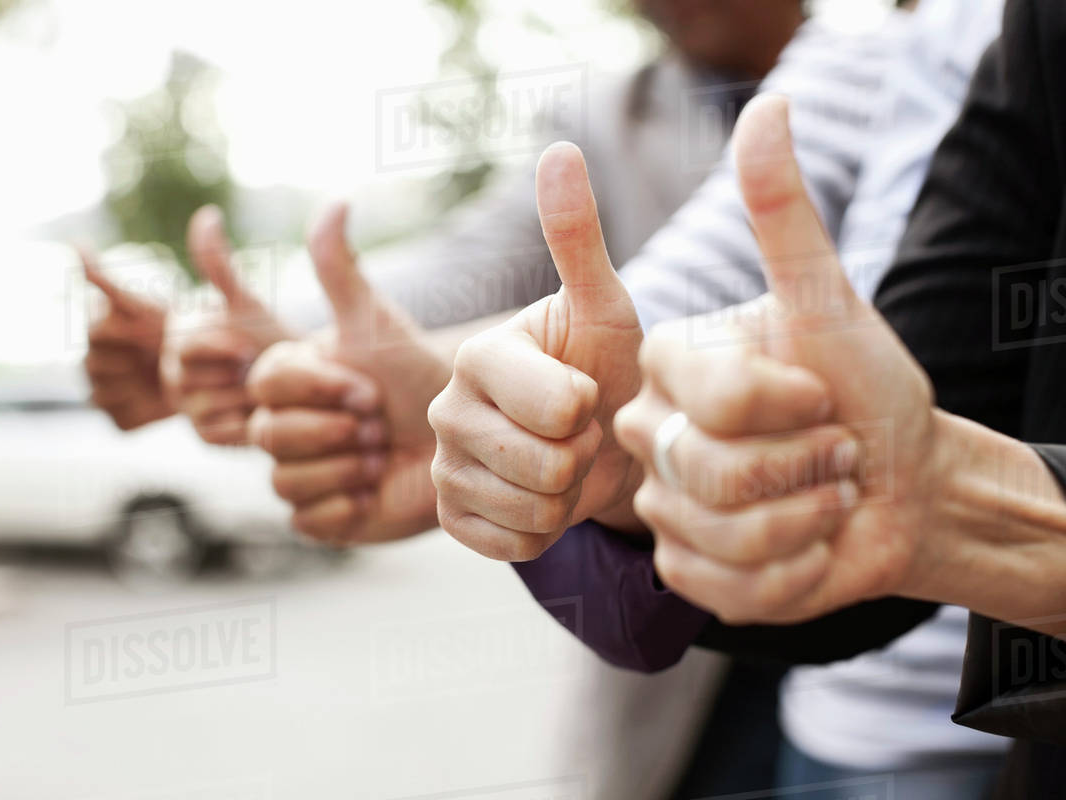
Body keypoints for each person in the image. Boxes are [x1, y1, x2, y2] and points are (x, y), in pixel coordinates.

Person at [80, 3, 806, 797]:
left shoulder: (892, 70)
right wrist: (248, 333)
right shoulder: (606, 118)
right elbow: (466, 267)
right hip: (684, 656)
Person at [433, 0, 1066, 793]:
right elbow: (912, 435)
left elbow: (931, 471)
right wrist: (634, 458)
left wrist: (996, 518)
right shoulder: (1016, 35)